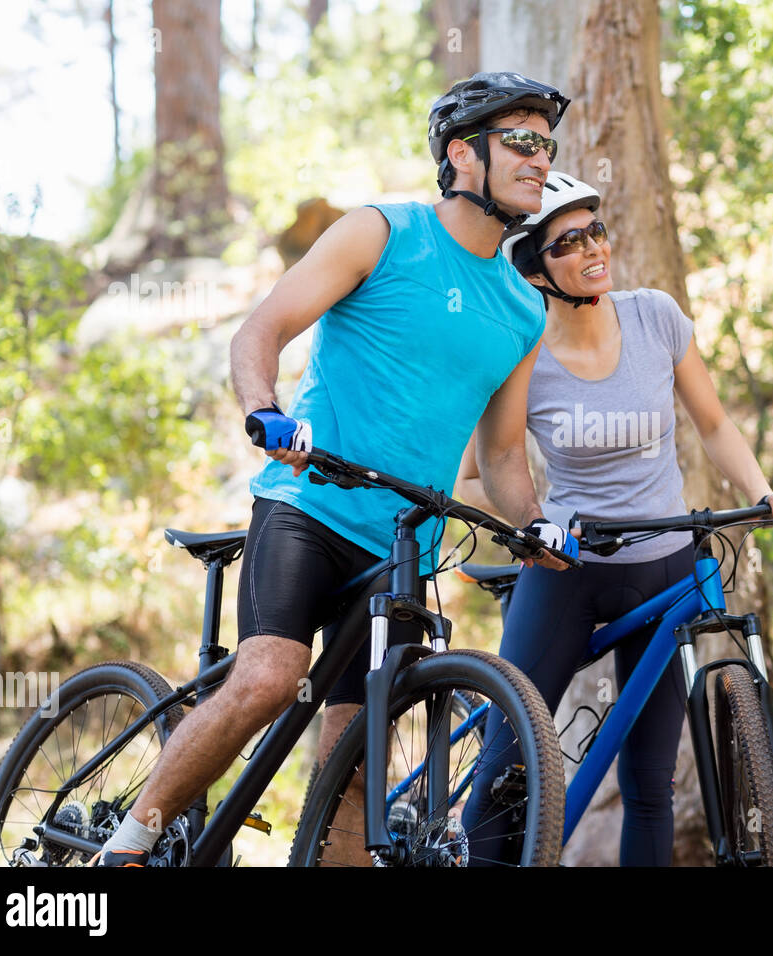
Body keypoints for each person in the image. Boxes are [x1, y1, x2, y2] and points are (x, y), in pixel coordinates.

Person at [92, 72, 580, 866]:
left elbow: (499, 455)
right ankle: (129, 843)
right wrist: (265, 410)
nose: (539, 159)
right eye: (522, 141)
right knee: (270, 676)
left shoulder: (523, 308)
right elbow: (262, 328)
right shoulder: (382, 232)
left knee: (354, 765)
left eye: (547, 145)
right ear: (464, 154)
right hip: (308, 506)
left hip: (402, 548)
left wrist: (534, 527)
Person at [454, 173, 773, 866]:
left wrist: (767, 491)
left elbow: (712, 423)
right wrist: (537, 524)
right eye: (569, 241)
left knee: (650, 785)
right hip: (567, 573)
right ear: (534, 268)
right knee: (503, 772)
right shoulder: (521, 350)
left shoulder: (656, 317)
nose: (593, 248)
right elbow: (475, 474)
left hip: (666, 564)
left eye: (597, 230)